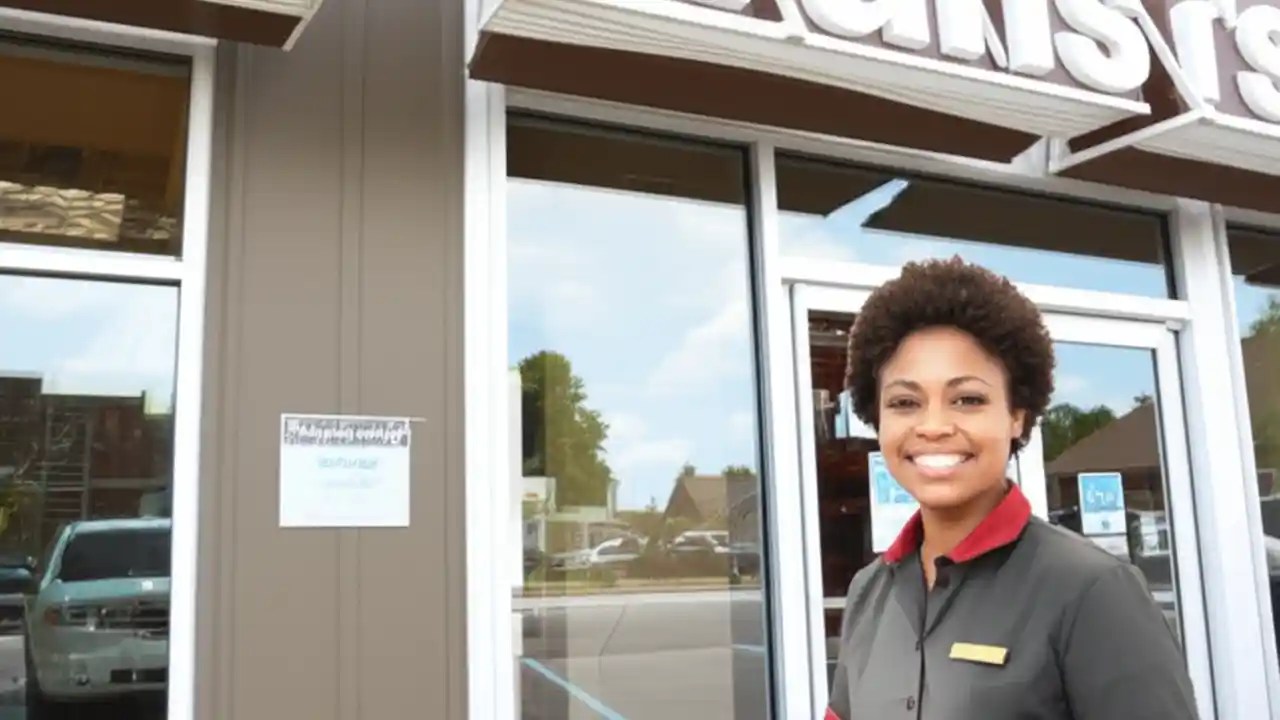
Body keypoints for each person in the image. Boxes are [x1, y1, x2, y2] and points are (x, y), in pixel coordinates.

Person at [825, 257, 1199, 720]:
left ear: (1016, 415)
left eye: (968, 399)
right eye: (905, 402)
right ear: (877, 418)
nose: (934, 426)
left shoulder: (1092, 591)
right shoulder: (868, 593)